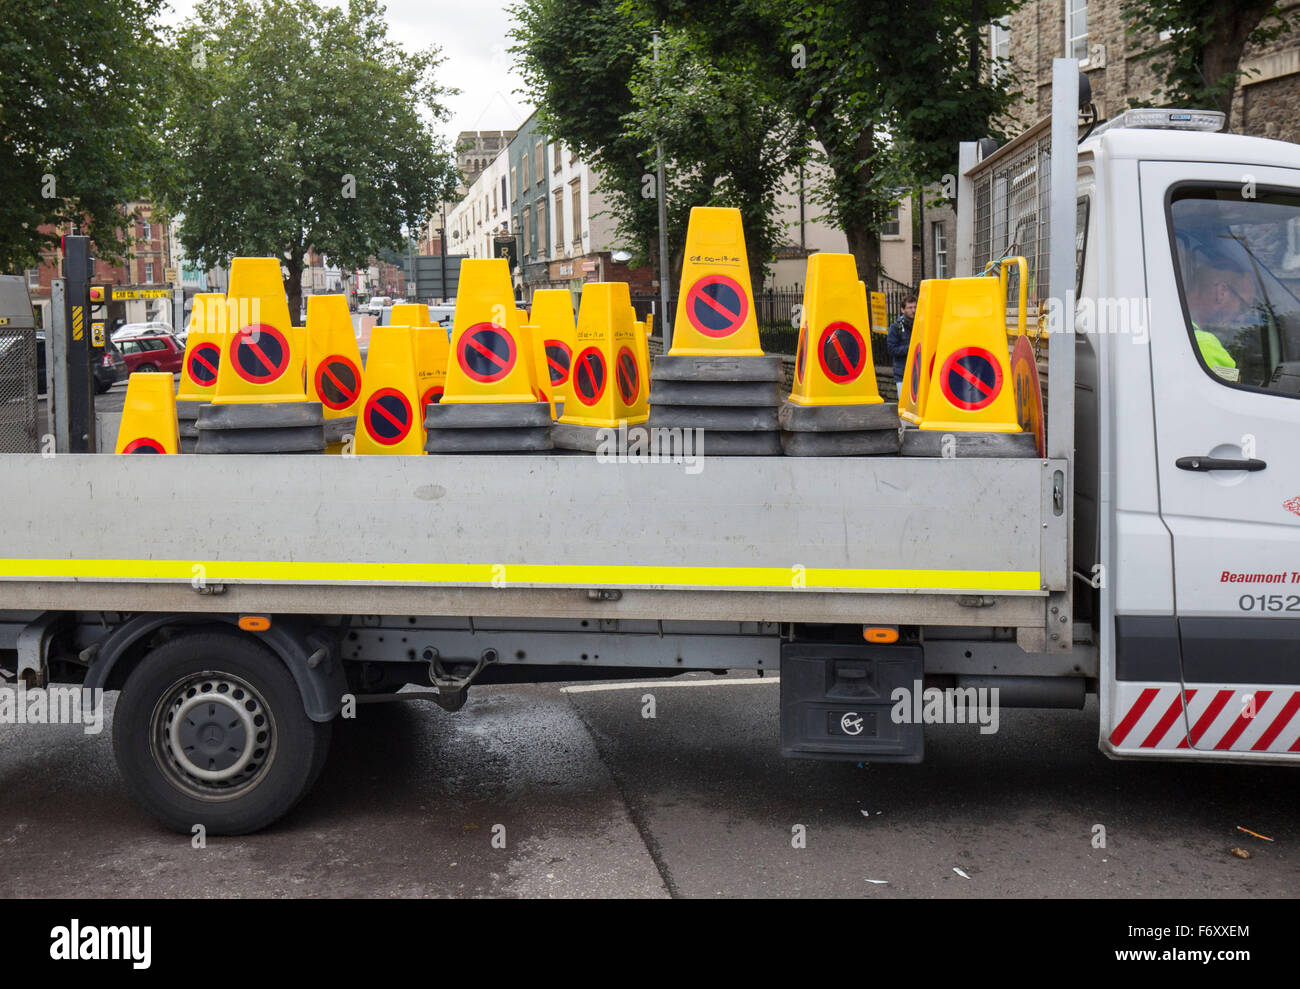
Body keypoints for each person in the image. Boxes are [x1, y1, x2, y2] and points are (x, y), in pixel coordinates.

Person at [1183, 245, 1256, 382]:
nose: (1242, 319)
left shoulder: (1162, 323)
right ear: (1222, 292)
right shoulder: (1203, 345)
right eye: (1242, 307)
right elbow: (1237, 395)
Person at [886, 294, 918, 388]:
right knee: (903, 402)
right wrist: (911, 348)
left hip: (918, 373)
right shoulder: (895, 327)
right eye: (910, 307)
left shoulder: (921, 325)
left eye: (915, 307)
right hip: (902, 374)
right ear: (903, 310)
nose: (913, 310)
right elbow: (891, 350)